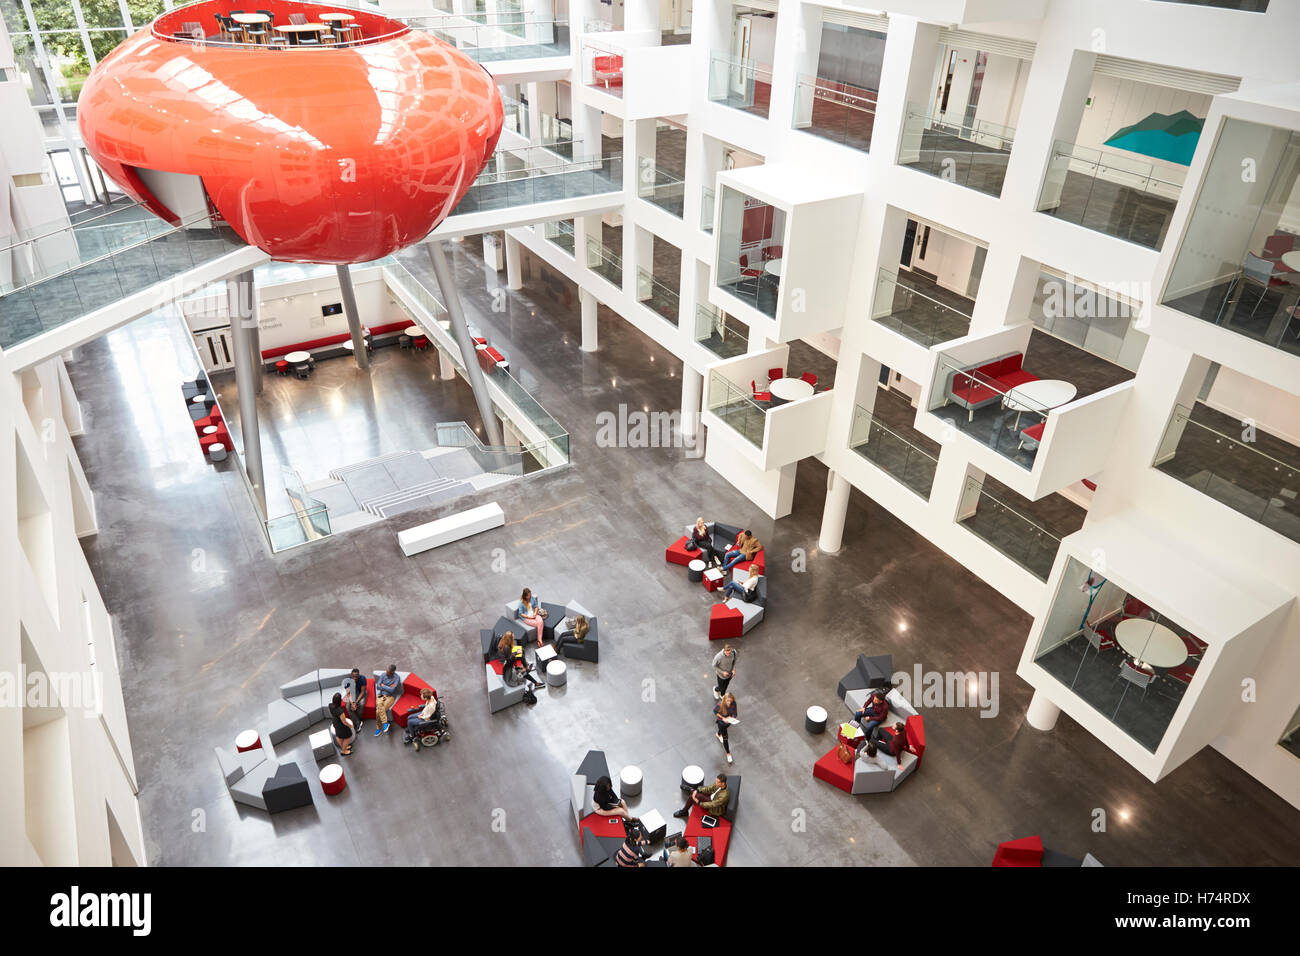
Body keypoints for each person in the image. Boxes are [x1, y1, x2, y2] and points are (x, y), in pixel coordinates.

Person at [374, 664, 403, 736]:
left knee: (378, 711)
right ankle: (385, 723)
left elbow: (392, 690)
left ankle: (378, 728)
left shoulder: (396, 678)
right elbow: (378, 686)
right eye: (386, 671)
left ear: (392, 672)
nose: (386, 673)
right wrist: (387, 687)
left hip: (390, 697)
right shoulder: (383, 675)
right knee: (379, 706)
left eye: (388, 672)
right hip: (381, 694)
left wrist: (383, 685)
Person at [714, 692, 738, 764]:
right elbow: (715, 711)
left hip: (728, 722)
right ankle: (728, 753)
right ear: (724, 700)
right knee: (725, 738)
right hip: (721, 723)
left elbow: (735, 712)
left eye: (730, 700)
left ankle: (718, 734)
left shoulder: (734, 703)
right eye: (727, 700)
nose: (729, 702)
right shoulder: (720, 705)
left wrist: (732, 718)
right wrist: (722, 718)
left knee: (722, 731)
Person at [329, 692, 355, 756]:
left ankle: (344, 747)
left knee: (338, 736)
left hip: (335, 722)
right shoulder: (340, 711)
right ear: (339, 701)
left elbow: (341, 701)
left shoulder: (330, 705)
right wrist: (350, 726)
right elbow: (344, 721)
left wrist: (347, 696)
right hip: (341, 725)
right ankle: (344, 751)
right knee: (347, 737)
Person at [344, 667, 367, 732]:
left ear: (359, 675)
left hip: (360, 693)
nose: (355, 678)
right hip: (352, 694)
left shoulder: (363, 678)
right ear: (351, 675)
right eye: (353, 676)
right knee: (347, 706)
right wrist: (352, 703)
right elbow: (348, 694)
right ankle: (358, 722)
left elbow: (363, 692)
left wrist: (356, 702)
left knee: (361, 704)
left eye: (356, 676)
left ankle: (358, 720)